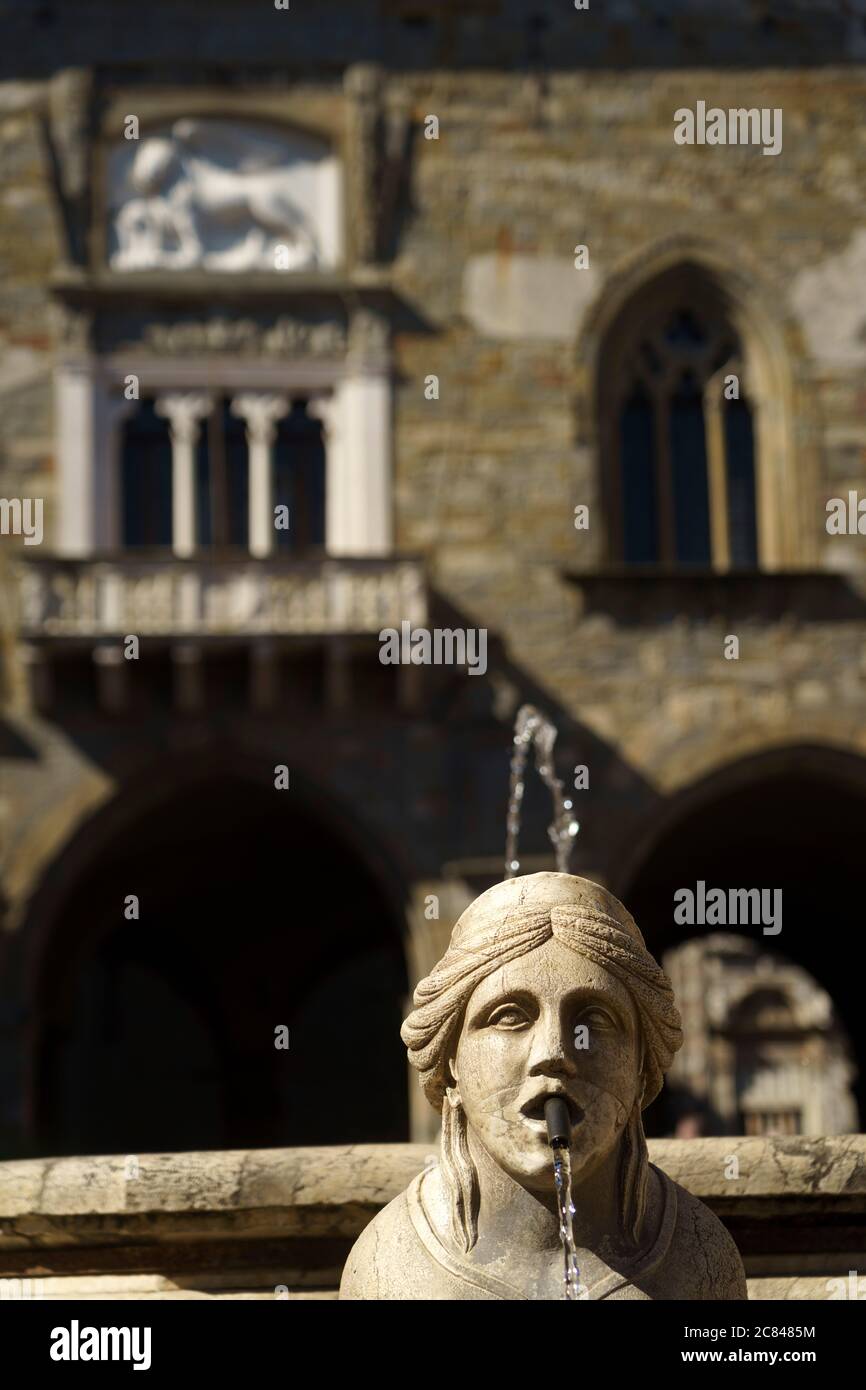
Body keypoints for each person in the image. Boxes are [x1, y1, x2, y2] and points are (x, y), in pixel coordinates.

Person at [340, 872, 747, 1300]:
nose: (554, 1051)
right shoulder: (392, 1270)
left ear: (642, 1064)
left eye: (594, 1020)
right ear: (451, 1058)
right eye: (510, 1016)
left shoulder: (697, 1260)